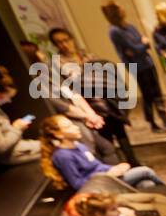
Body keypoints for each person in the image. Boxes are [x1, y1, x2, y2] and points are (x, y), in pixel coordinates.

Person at [49, 26, 140, 166]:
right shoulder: (58, 64)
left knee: (121, 132)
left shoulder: (87, 56)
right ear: (55, 45)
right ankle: (118, 167)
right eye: (59, 42)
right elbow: (69, 90)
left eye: (66, 40)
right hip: (89, 105)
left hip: (107, 100)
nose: (64, 44)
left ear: (72, 39)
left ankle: (133, 162)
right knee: (105, 138)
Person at [38, 115, 165, 191]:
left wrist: (114, 168)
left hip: (108, 178)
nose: (76, 127)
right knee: (145, 171)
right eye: (68, 127)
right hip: (99, 187)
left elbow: (97, 166)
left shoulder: (80, 146)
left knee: (147, 184)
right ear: (58, 134)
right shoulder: (63, 156)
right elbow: (77, 184)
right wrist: (108, 175)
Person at [103, 0, 166, 130]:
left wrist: (140, 45)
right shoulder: (115, 31)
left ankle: (164, 118)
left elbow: (139, 44)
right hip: (137, 66)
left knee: (157, 92)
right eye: (120, 9)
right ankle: (152, 122)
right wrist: (142, 45)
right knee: (148, 95)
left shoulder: (129, 27)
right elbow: (136, 47)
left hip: (147, 62)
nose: (123, 10)